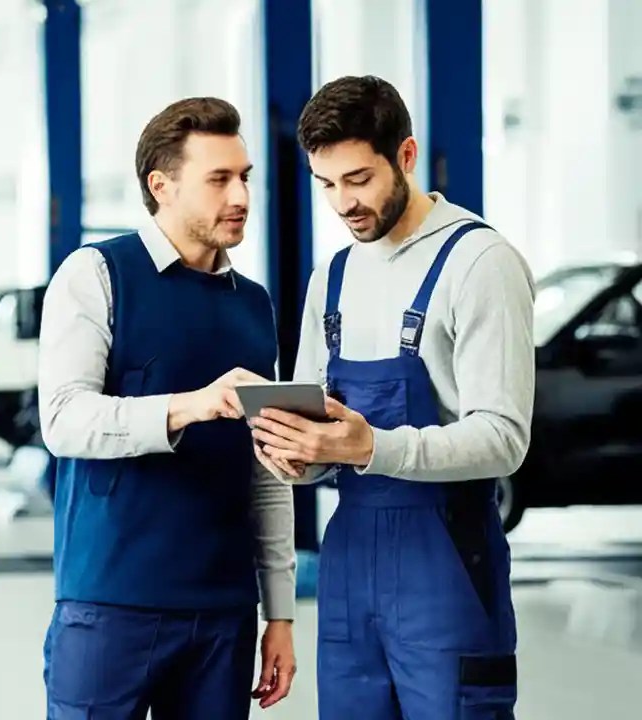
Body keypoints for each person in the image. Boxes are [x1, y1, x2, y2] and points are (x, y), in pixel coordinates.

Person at [249, 75, 534, 719]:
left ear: (405, 156)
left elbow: (504, 438)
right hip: (350, 568)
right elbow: (318, 420)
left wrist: (371, 445)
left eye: (358, 179)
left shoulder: (479, 263)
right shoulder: (335, 275)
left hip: (448, 570)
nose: (342, 203)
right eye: (325, 184)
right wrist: (299, 454)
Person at [38, 96, 297, 719]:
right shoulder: (96, 274)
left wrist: (280, 612)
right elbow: (64, 419)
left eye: (245, 177)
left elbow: (264, 471)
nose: (240, 195)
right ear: (162, 186)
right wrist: (188, 407)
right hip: (110, 604)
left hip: (222, 614)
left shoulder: (254, 305)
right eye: (218, 179)